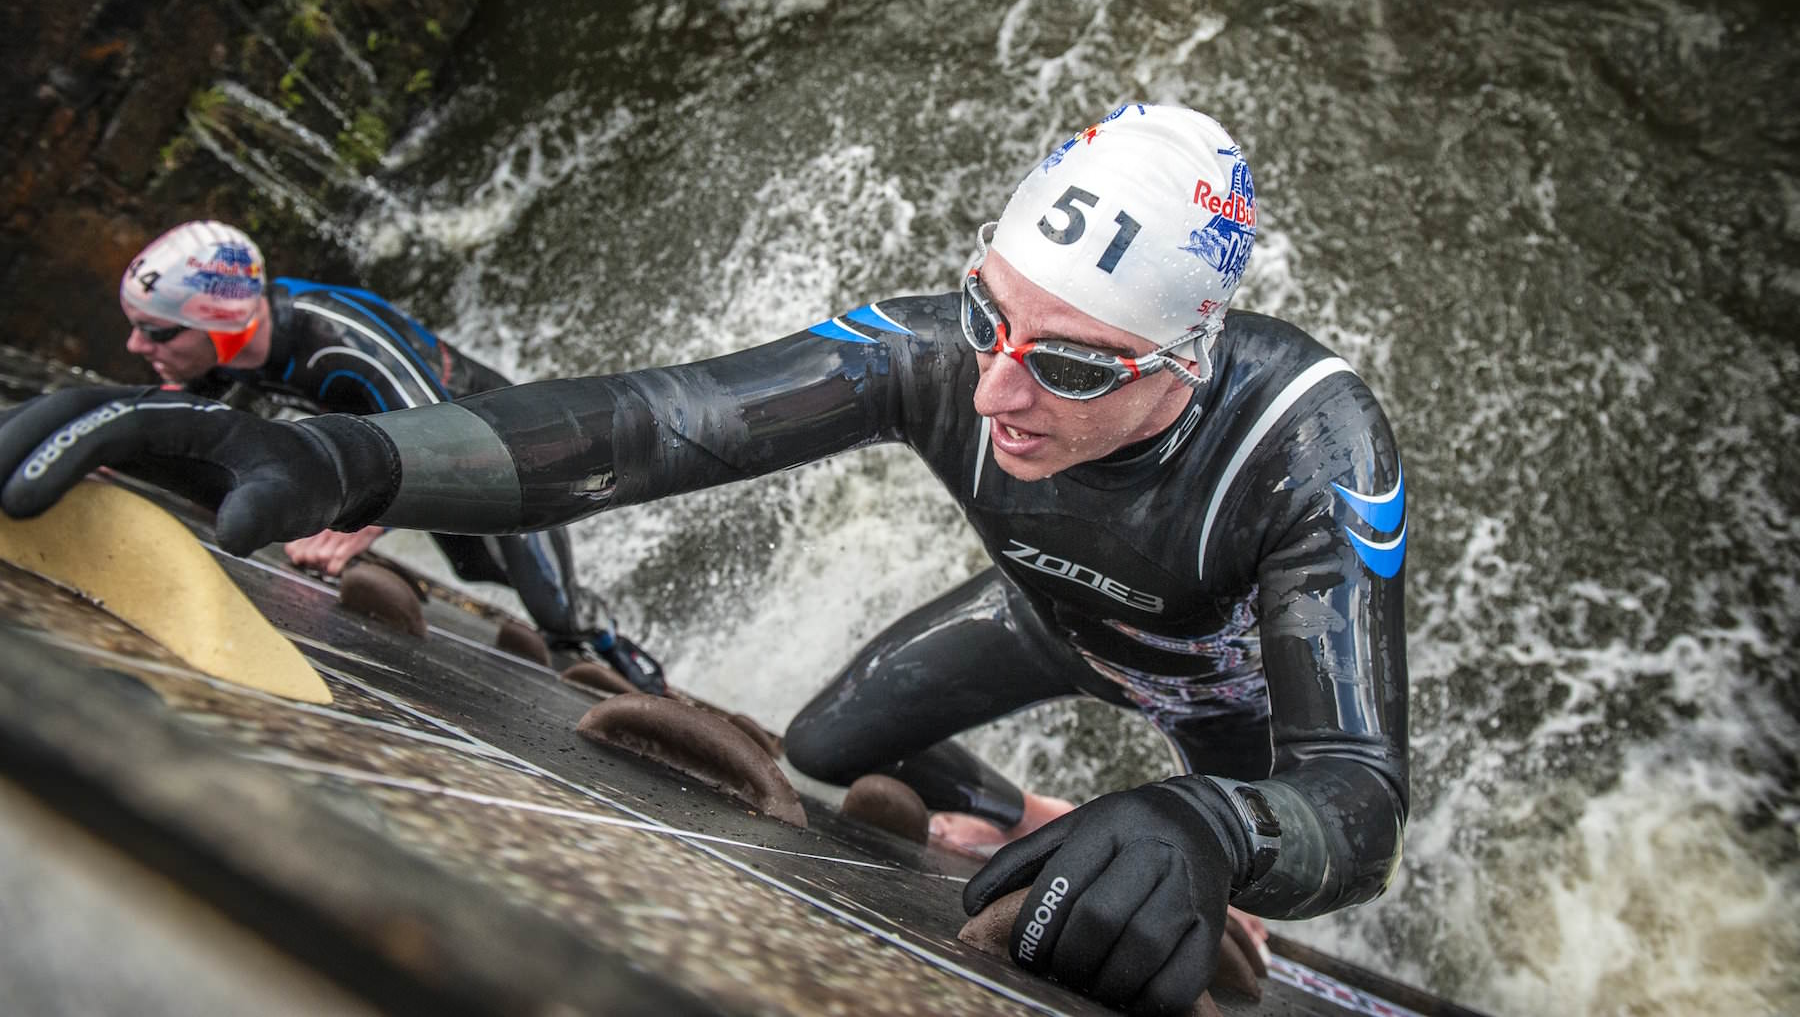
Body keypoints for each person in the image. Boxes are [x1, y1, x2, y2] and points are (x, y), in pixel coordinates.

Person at [1, 105, 1405, 1016]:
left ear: (1191, 357)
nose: (995, 393)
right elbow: (659, 420)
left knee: (1228, 831)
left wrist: (1218, 828)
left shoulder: (1313, 443)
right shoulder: (935, 348)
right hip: (1049, 613)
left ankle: (1158, 817)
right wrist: (353, 460)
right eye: (989, 319)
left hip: (1223, 693)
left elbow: (1356, 790)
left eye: (1074, 364)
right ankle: (1041, 807)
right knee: (836, 737)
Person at [112, 219, 666, 693]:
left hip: (516, 452)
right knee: (478, 570)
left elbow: (436, 435)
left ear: (219, 322)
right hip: (444, 459)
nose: (138, 348)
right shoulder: (225, 346)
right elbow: (187, 415)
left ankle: (633, 669)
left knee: (555, 609)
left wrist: (361, 519)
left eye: (155, 332)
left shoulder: (336, 338)